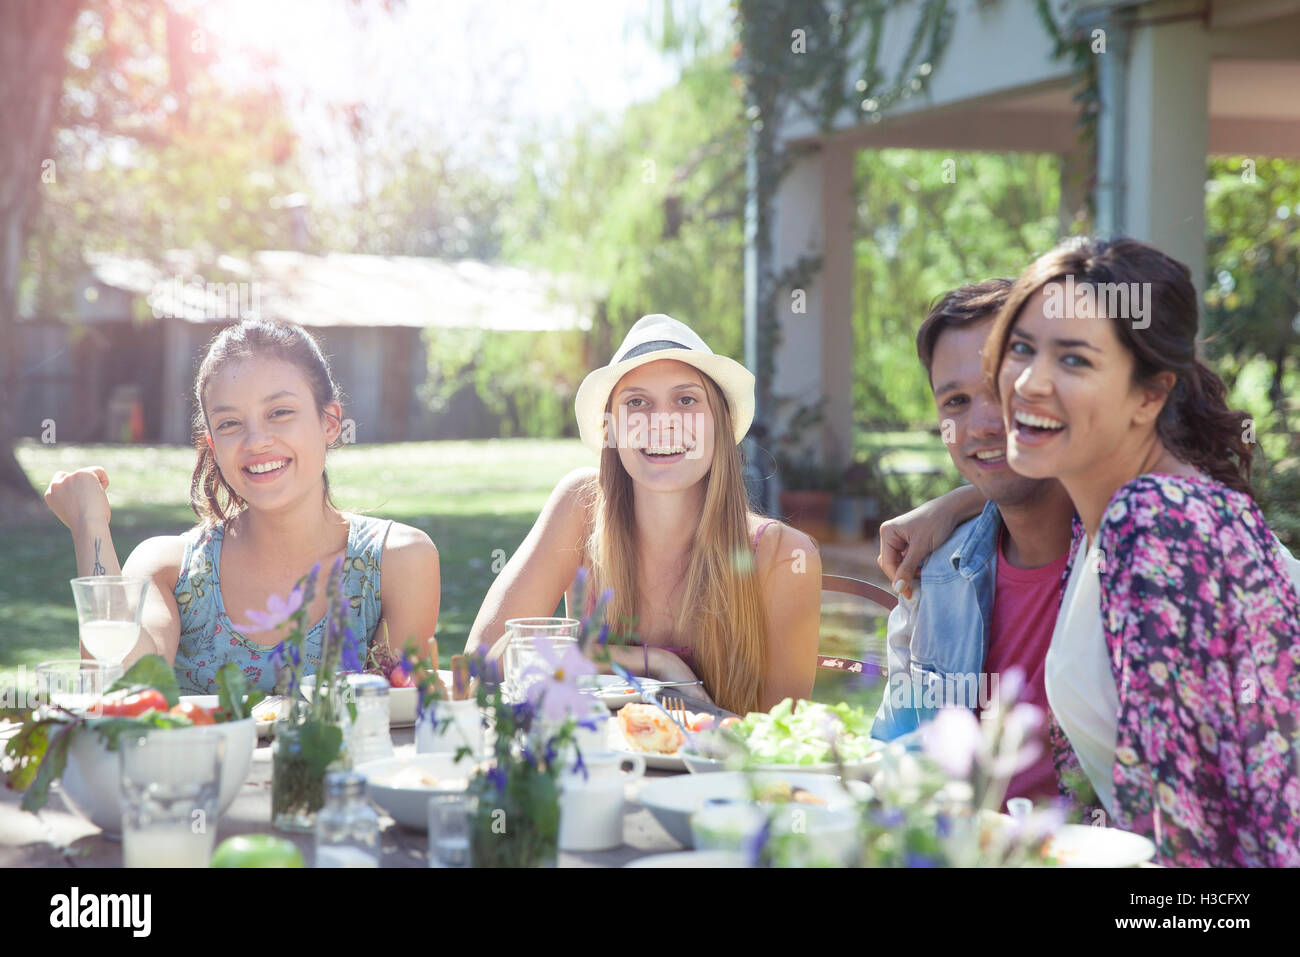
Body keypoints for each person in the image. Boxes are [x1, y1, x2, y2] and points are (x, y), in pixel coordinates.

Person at [44, 319, 441, 694]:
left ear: (330, 423)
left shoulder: (397, 562)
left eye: (280, 412)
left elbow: (396, 718)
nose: (256, 441)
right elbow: (121, 690)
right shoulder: (170, 570)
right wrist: (89, 524)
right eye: (230, 423)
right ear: (213, 445)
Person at [465, 314, 821, 715]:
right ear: (611, 430)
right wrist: (656, 664)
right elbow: (484, 664)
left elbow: (780, 743)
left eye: (686, 400)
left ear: (719, 425)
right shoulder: (580, 507)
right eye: (637, 402)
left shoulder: (783, 555)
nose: (662, 421)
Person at [871, 279, 1076, 804]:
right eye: (956, 401)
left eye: (1001, 387)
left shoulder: (1145, 563)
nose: (982, 424)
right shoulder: (933, 570)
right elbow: (896, 755)